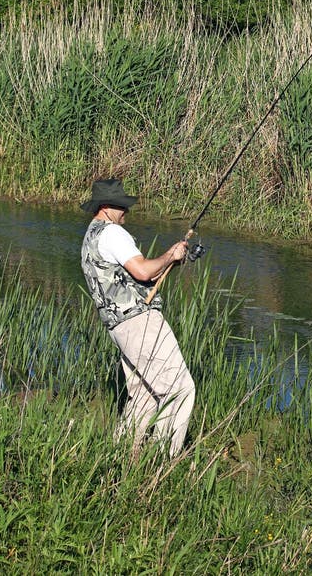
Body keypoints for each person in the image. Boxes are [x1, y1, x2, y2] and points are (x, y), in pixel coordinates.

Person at [80, 177, 195, 458]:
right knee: (180, 389)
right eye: (122, 207)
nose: (126, 212)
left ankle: (121, 458)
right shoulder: (112, 234)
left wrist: (170, 261)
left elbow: (144, 275)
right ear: (107, 207)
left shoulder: (90, 237)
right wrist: (170, 254)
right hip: (139, 323)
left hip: (119, 327)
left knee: (143, 396)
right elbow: (144, 271)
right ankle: (163, 461)